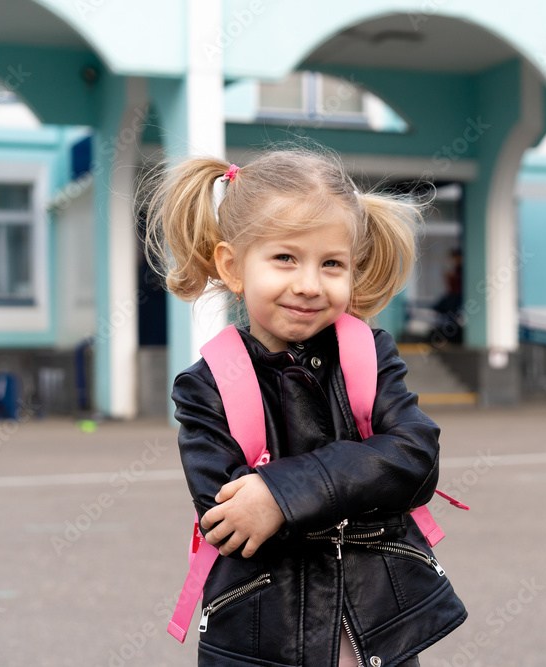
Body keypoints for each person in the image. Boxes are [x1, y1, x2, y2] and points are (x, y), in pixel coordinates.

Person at [144, 149, 467, 667]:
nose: (310, 284)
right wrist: (361, 481)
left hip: (378, 632)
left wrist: (278, 495)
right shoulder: (206, 388)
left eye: (332, 264)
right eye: (285, 258)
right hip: (265, 641)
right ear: (233, 266)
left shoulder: (369, 354)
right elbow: (227, 518)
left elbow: (414, 457)